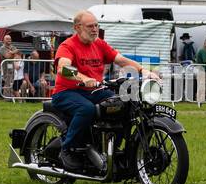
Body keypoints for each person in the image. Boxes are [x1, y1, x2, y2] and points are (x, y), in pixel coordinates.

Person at [51, 10, 156, 174]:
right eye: (90, 26)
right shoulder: (68, 46)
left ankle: (113, 150)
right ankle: (68, 149)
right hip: (67, 91)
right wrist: (84, 78)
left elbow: (121, 60)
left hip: (94, 91)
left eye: (96, 26)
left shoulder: (99, 44)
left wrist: (144, 71)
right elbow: (62, 69)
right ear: (77, 28)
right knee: (86, 109)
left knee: (123, 103)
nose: (95, 29)